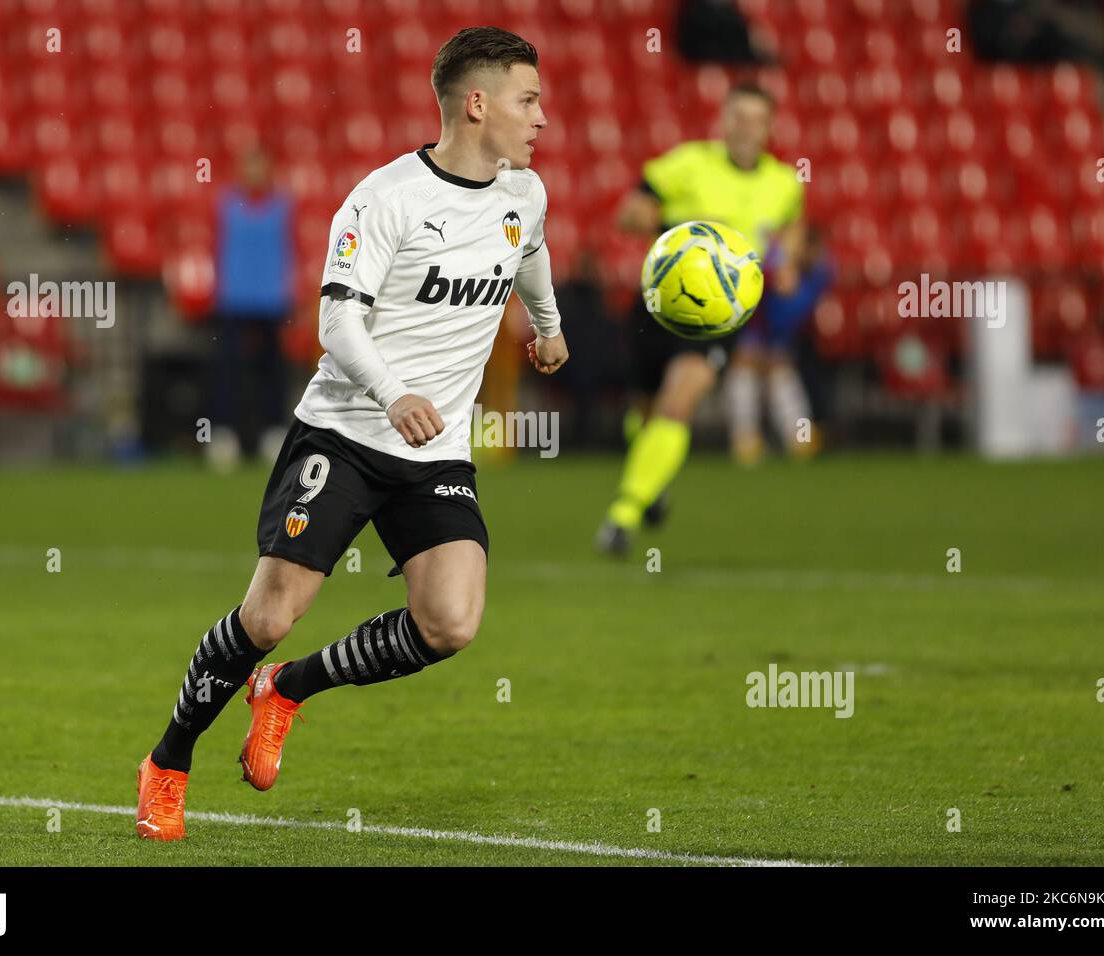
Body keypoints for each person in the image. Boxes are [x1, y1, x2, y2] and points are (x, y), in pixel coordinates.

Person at [136, 26, 568, 840]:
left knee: (451, 623)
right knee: (266, 617)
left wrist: (546, 325)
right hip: (344, 432)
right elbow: (338, 321)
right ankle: (168, 761)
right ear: (477, 104)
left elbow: (532, 253)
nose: (542, 117)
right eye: (529, 98)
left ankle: (288, 689)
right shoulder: (386, 198)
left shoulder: (525, 193)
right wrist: (393, 390)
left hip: (435, 451)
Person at [596, 81, 804, 556]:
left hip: (720, 318)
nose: (746, 127)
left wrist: (787, 263)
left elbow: (793, 223)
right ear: (724, 120)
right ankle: (653, 480)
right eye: (738, 116)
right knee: (645, 413)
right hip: (660, 302)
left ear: (770, 127)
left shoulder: (783, 184)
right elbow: (628, 215)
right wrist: (679, 228)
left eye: (756, 118)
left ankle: (622, 516)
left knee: (676, 405)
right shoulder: (688, 163)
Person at [208, 145, 295, 470]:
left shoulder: (283, 205)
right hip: (234, 299)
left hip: (272, 300)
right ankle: (224, 436)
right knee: (227, 372)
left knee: (273, 372)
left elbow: (293, 249)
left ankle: (273, 434)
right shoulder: (225, 204)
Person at [725, 225, 832, 465]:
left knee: (781, 372)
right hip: (749, 325)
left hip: (782, 333)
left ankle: (799, 438)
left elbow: (795, 306)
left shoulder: (819, 272)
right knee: (744, 368)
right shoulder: (769, 259)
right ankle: (744, 438)